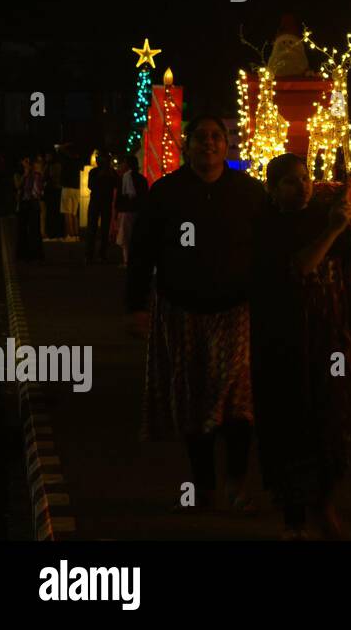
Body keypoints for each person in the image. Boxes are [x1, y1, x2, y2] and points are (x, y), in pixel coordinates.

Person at [128, 114, 266, 512]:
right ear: (187, 146)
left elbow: (267, 251)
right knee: (193, 401)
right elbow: (142, 253)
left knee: (238, 400)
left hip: (236, 311)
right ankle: (203, 484)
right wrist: (135, 306)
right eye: (201, 137)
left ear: (227, 145)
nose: (209, 143)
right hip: (181, 311)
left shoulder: (250, 193)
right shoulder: (167, 193)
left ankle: (237, 483)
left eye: (216, 137)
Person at [251, 154, 351, 540]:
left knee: (334, 416)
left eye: (305, 178)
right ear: (272, 189)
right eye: (289, 181)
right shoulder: (268, 227)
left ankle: (325, 499)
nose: (301, 186)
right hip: (286, 337)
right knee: (291, 421)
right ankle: (294, 517)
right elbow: (300, 268)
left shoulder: (325, 218)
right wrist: (333, 232)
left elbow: (349, 279)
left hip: (329, 334)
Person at [115, 154, 148, 268]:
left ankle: (127, 261)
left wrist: (117, 210)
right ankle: (136, 260)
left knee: (126, 239)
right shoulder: (142, 179)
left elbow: (120, 196)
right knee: (135, 237)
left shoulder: (125, 178)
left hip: (127, 211)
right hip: (138, 211)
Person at [85, 152, 119, 264]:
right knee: (93, 229)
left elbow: (117, 184)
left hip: (102, 203)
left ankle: (99, 254)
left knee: (101, 230)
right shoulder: (96, 172)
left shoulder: (109, 172)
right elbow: (91, 185)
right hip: (99, 202)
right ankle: (92, 254)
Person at [16, 156, 44, 262]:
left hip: (33, 203)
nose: (28, 163)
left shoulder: (36, 175)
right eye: (25, 161)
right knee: (23, 229)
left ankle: (35, 254)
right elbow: (18, 186)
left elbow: (38, 191)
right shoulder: (20, 175)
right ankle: (24, 254)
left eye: (29, 161)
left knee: (34, 230)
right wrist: (25, 174)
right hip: (24, 204)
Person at [60, 144, 83, 240]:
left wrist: (66, 145)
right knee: (74, 213)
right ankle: (76, 234)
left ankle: (70, 234)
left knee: (67, 212)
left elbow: (60, 150)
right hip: (77, 188)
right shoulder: (79, 161)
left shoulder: (65, 160)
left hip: (67, 188)